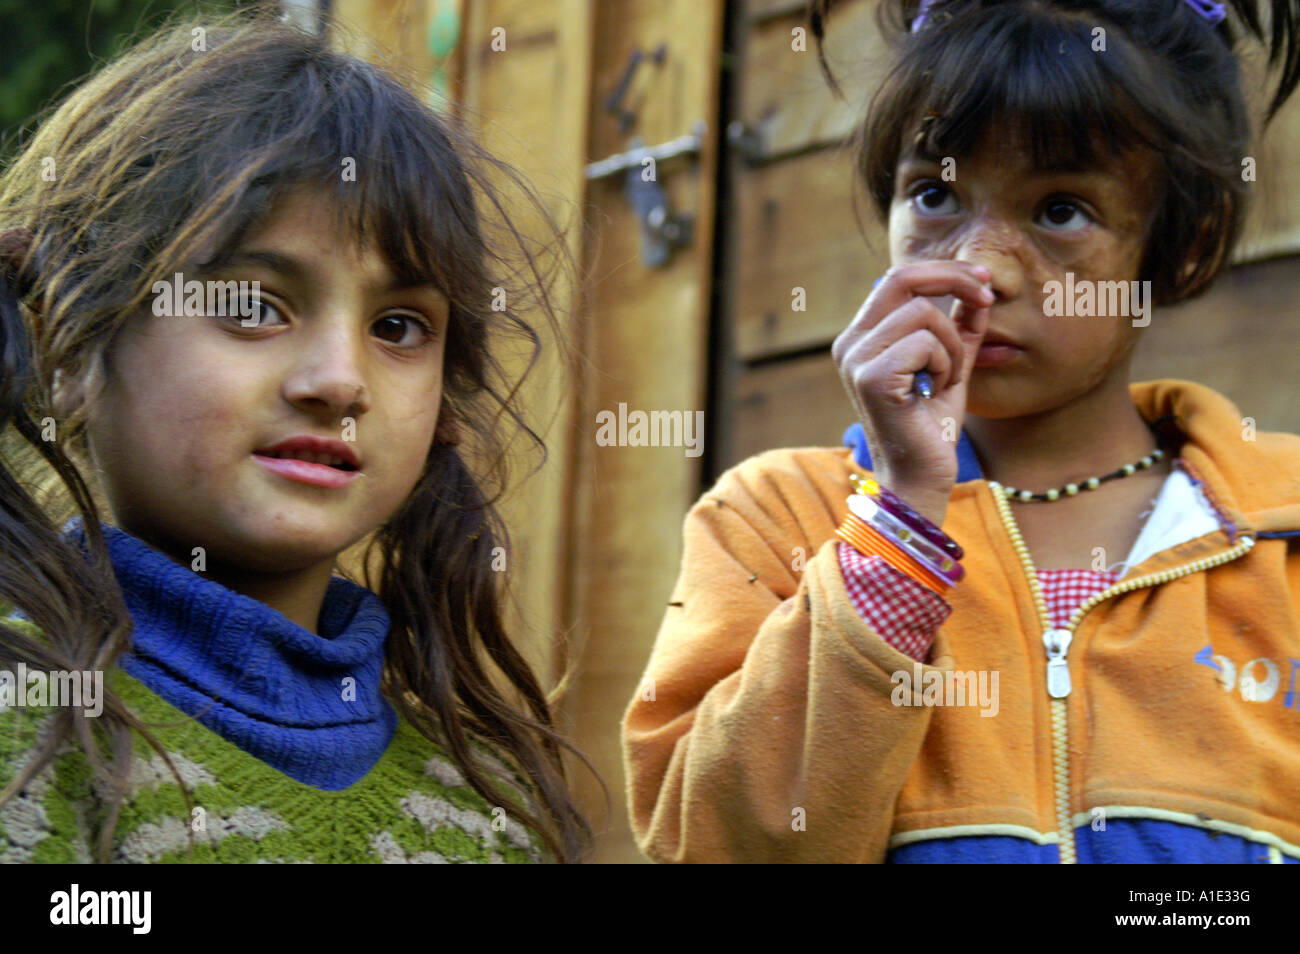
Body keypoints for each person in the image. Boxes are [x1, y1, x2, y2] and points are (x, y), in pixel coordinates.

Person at [624, 0, 1300, 863]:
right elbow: (713, 843)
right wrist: (899, 523)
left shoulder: (1281, 540)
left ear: (1180, 243)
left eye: (1060, 211)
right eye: (935, 194)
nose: (978, 265)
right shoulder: (777, 520)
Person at [0, 8, 595, 864]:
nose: (340, 382)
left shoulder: (486, 816)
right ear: (67, 345)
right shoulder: (30, 742)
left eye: (397, 327)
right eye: (252, 307)